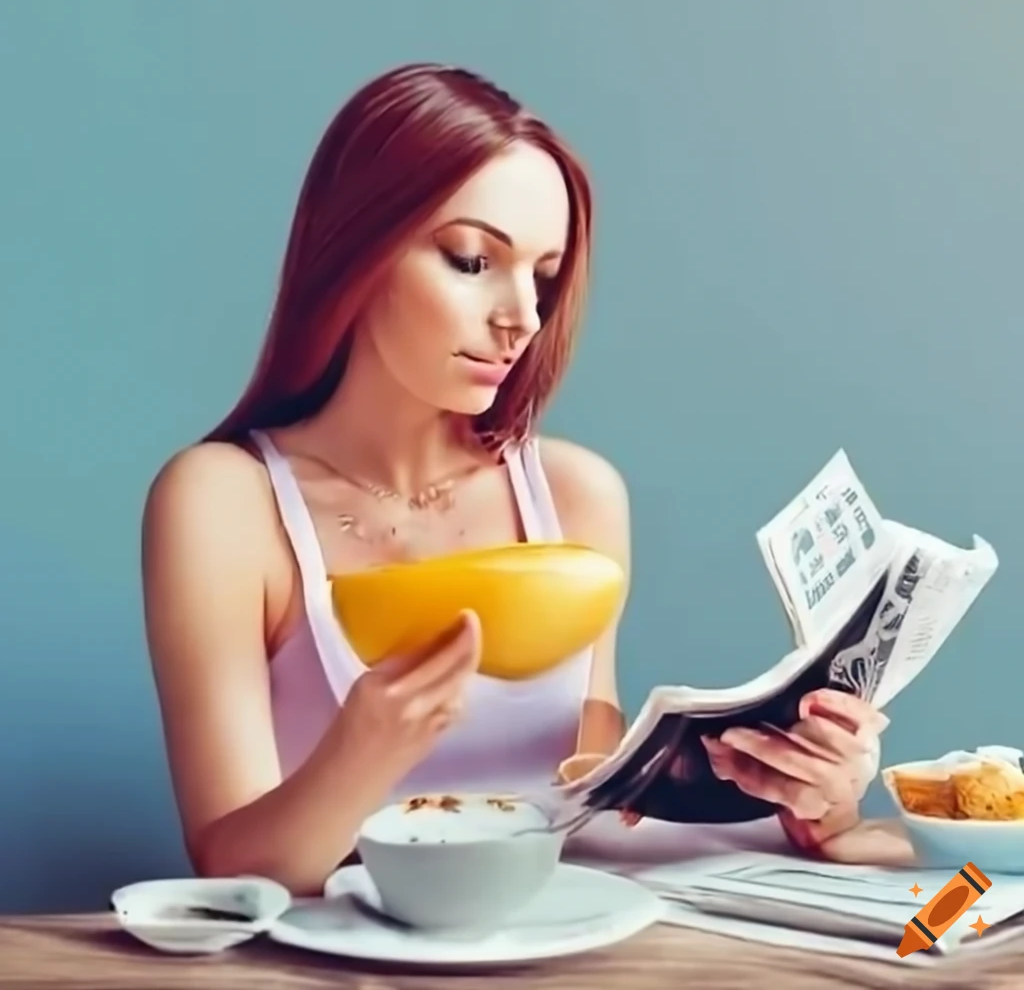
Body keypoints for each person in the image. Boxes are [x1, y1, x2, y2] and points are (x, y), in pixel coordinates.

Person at [141, 63, 902, 897]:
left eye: (543, 275)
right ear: (356, 246)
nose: (523, 319)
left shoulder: (578, 497)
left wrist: (806, 800)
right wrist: (363, 750)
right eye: (472, 260)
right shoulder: (221, 503)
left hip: (560, 946)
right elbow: (230, 869)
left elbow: (591, 803)